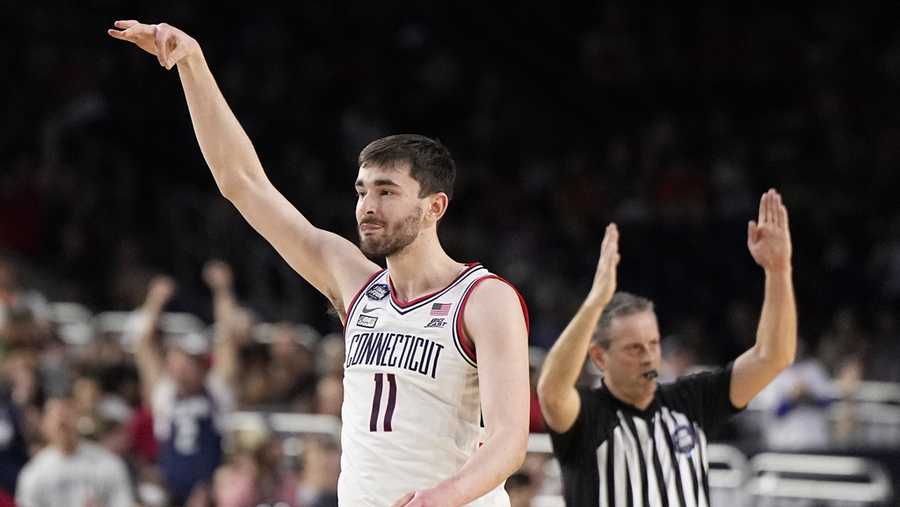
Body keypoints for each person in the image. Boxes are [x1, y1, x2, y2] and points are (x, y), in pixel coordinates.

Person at [107, 20, 530, 507]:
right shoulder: (355, 281)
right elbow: (241, 181)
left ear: (434, 207)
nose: (367, 206)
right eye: (362, 191)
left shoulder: (484, 298)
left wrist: (440, 498)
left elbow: (508, 441)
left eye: (387, 192)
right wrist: (193, 64)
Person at [537, 190, 797, 506]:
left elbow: (773, 356)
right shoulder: (589, 414)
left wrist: (779, 270)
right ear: (599, 357)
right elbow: (551, 390)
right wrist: (596, 302)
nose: (648, 356)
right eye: (633, 348)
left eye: (653, 344)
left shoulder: (690, 400)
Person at [132, 276, 237, 506]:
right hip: (168, 491)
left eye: (188, 361)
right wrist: (155, 301)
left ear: (200, 365)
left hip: (210, 493)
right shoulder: (164, 394)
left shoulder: (216, 391)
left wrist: (222, 290)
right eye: (177, 359)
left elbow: (228, 338)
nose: (180, 367)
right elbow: (143, 346)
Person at [16, 393, 135, 507]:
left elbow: (122, 502)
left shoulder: (107, 462)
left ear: (78, 417)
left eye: (67, 415)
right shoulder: (34, 473)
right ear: (44, 425)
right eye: (58, 423)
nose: (63, 423)